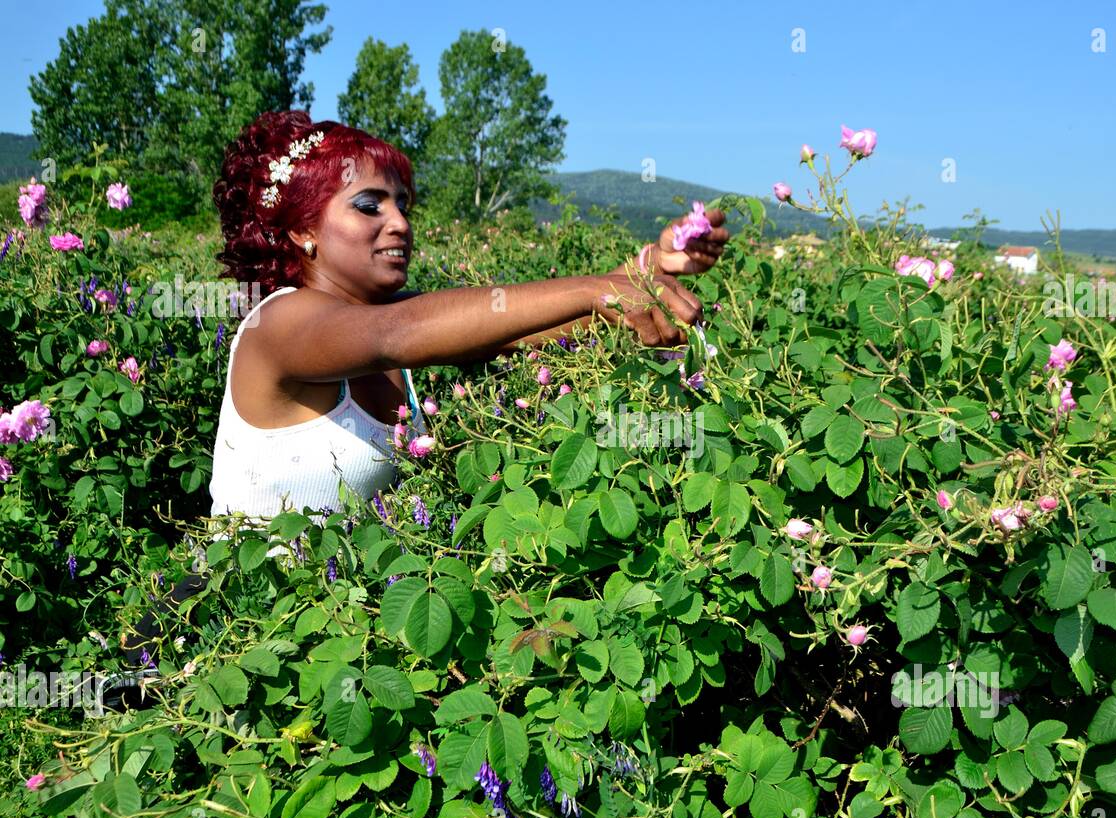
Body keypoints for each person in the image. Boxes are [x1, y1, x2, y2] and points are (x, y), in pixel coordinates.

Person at [113, 108, 730, 693]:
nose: (400, 221)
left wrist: (647, 269)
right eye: (368, 204)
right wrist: (599, 288)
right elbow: (398, 333)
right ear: (303, 230)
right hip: (217, 635)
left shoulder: (391, 327)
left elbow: (522, 324)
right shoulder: (280, 325)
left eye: (403, 203)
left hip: (319, 638)